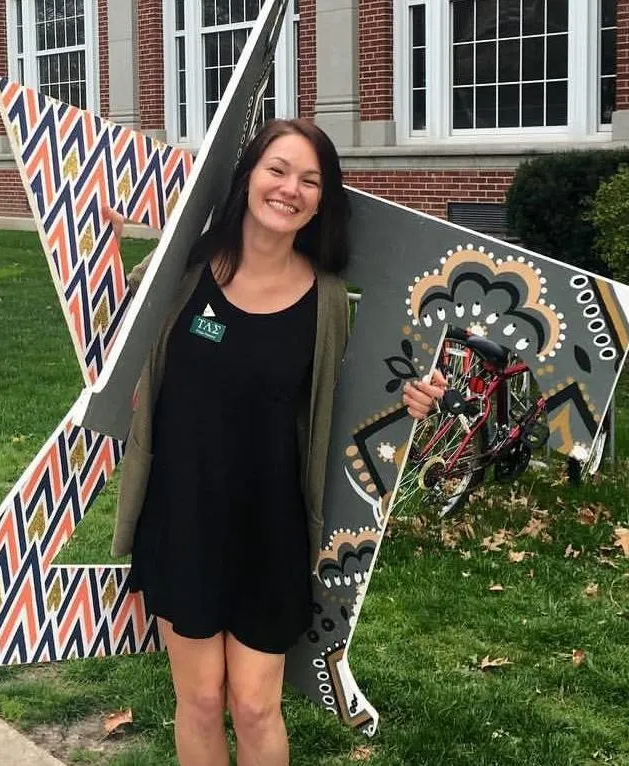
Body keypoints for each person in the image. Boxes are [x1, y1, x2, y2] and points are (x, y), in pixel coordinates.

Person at [105, 118, 445, 766]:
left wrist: (408, 403)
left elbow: (345, 409)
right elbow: (113, 342)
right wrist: (97, 241)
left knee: (256, 706)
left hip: (271, 527)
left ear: (323, 200)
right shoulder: (184, 270)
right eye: (278, 170)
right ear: (249, 178)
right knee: (200, 702)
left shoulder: (327, 299)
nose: (290, 189)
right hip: (183, 517)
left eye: (310, 180)